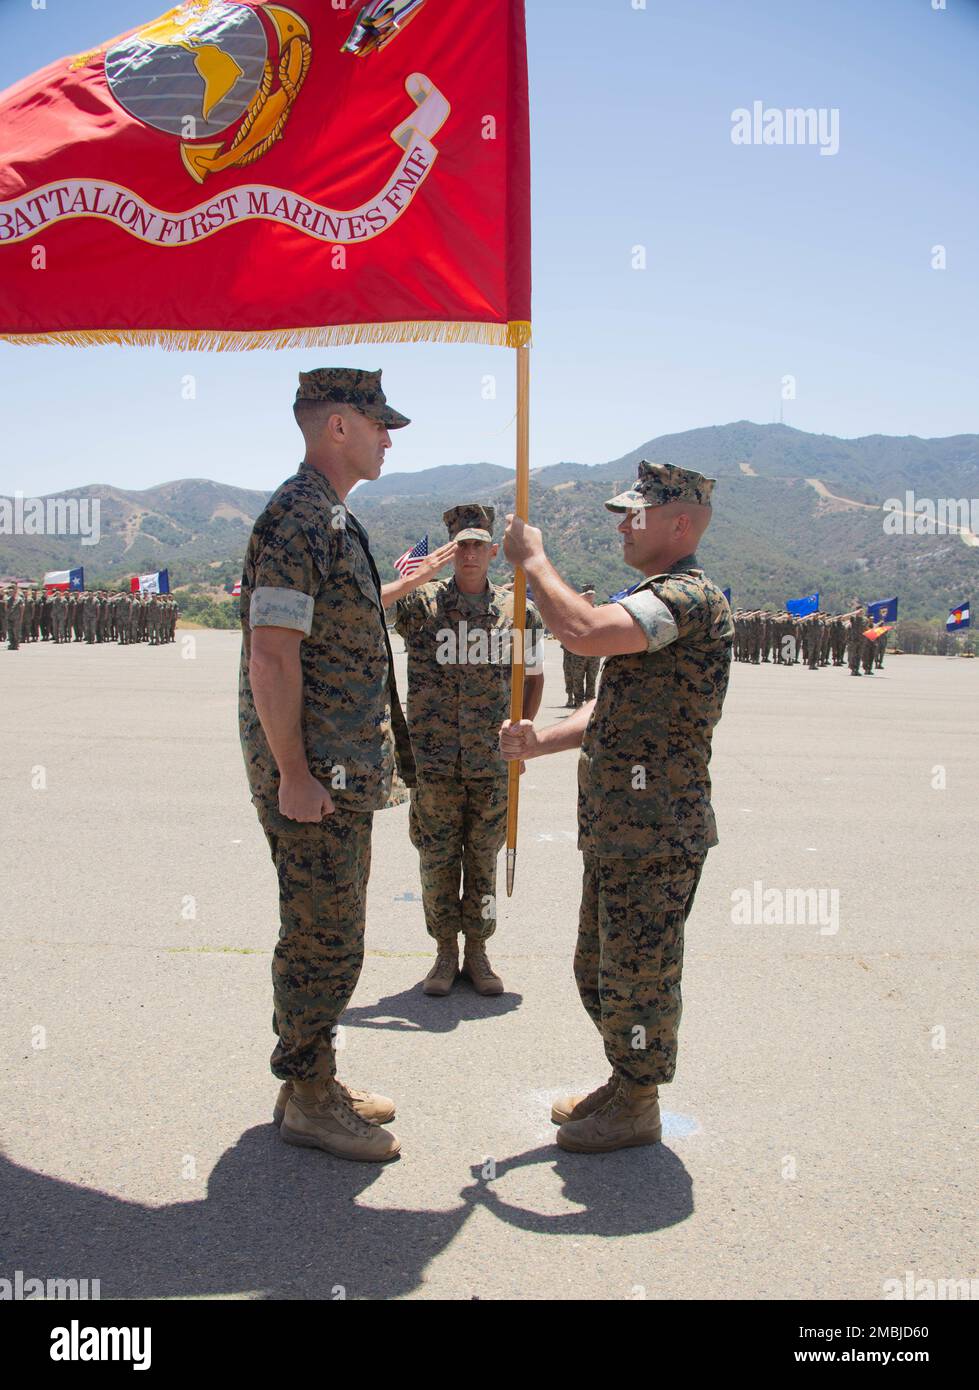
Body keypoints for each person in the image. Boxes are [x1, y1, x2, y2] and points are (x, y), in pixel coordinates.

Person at [499, 460, 733, 1153]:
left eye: (637, 513)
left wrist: (535, 561)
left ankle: (638, 1101)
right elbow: (609, 706)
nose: (622, 525)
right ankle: (622, 1078)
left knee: (640, 973)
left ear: (680, 523)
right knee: (599, 967)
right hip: (618, 827)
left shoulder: (687, 598)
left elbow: (583, 632)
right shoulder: (651, 597)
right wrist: (539, 742)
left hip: (657, 830)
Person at [238, 367, 417, 1164]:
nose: (388, 438)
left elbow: (330, 627)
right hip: (315, 773)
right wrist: (294, 774)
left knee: (334, 926)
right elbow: (271, 656)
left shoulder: (331, 517)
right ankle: (307, 1095)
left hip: (338, 766)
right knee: (322, 932)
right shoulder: (299, 518)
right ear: (338, 424)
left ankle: (314, 1074)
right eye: (381, 424)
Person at [392, 504, 544, 997]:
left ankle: (478, 951)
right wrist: (420, 575)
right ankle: (442, 953)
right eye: (461, 545)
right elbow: (370, 608)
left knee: (482, 862)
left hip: (490, 762)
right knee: (436, 860)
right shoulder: (422, 607)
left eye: (479, 544)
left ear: (495, 552)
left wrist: (522, 734)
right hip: (434, 763)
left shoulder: (517, 611)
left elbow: (534, 678)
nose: (471, 553)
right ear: (449, 551)